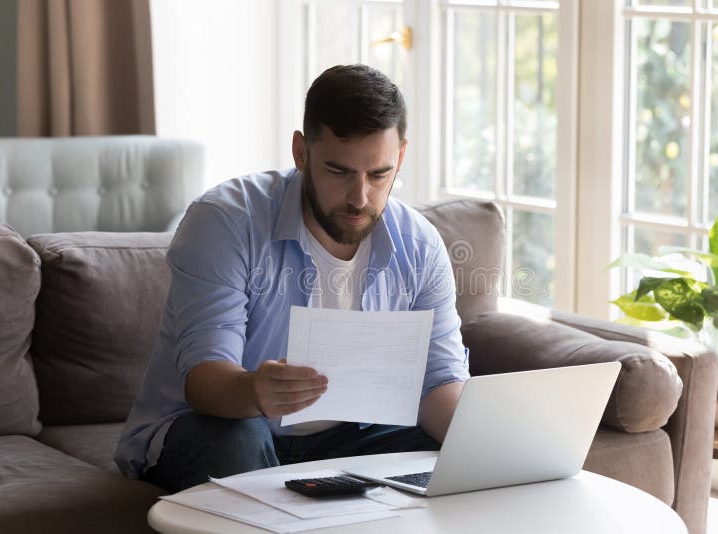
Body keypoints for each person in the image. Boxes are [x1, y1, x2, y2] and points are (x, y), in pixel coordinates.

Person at [114, 64, 470, 493]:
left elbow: (439, 383)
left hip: (346, 439)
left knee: (446, 454)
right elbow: (203, 379)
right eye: (339, 171)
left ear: (401, 157)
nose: (360, 198)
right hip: (216, 425)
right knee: (241, 439)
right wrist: (254, 391)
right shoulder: (225, 222)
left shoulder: (419, 244)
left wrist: (493, 447)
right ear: (301, 152)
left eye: (379, 174)